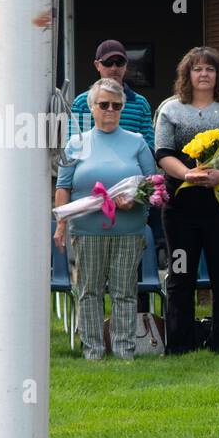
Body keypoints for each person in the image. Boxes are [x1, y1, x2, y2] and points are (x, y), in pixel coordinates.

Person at [154, 46, 219, 354]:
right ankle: (180, 343)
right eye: (197, 69)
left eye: (210, 69)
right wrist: (187, 174)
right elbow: (163, 154)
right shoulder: (171, 109)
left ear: (218, 74)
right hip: (182, 209)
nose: (204, 74)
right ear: (187, 74)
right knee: (181, 276)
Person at [53, 79, 158, 360]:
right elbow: (63, 187)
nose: (110, 110)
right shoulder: (75, 144)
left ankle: (125, 350)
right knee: (89, 291)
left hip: (129, 228)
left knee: (125, 291)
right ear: (92, 107)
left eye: (116, 105)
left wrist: (135, 199)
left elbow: (154, 185)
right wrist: (61, 224)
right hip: (86, 230)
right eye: (104, 105)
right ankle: (93, 350)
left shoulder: (136, 142)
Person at [68, 39, 161, 306]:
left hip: (132, 202)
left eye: (120, 62)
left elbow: (149, 145)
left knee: (134, 273)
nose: (114, 67)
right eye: (108, 62)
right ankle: (91, 331)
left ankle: (141, 322)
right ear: (97, 65)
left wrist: (132, 190)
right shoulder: (81, 103)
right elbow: (75, 146)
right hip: (92, 200)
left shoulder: (140, 103)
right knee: (91, 279)